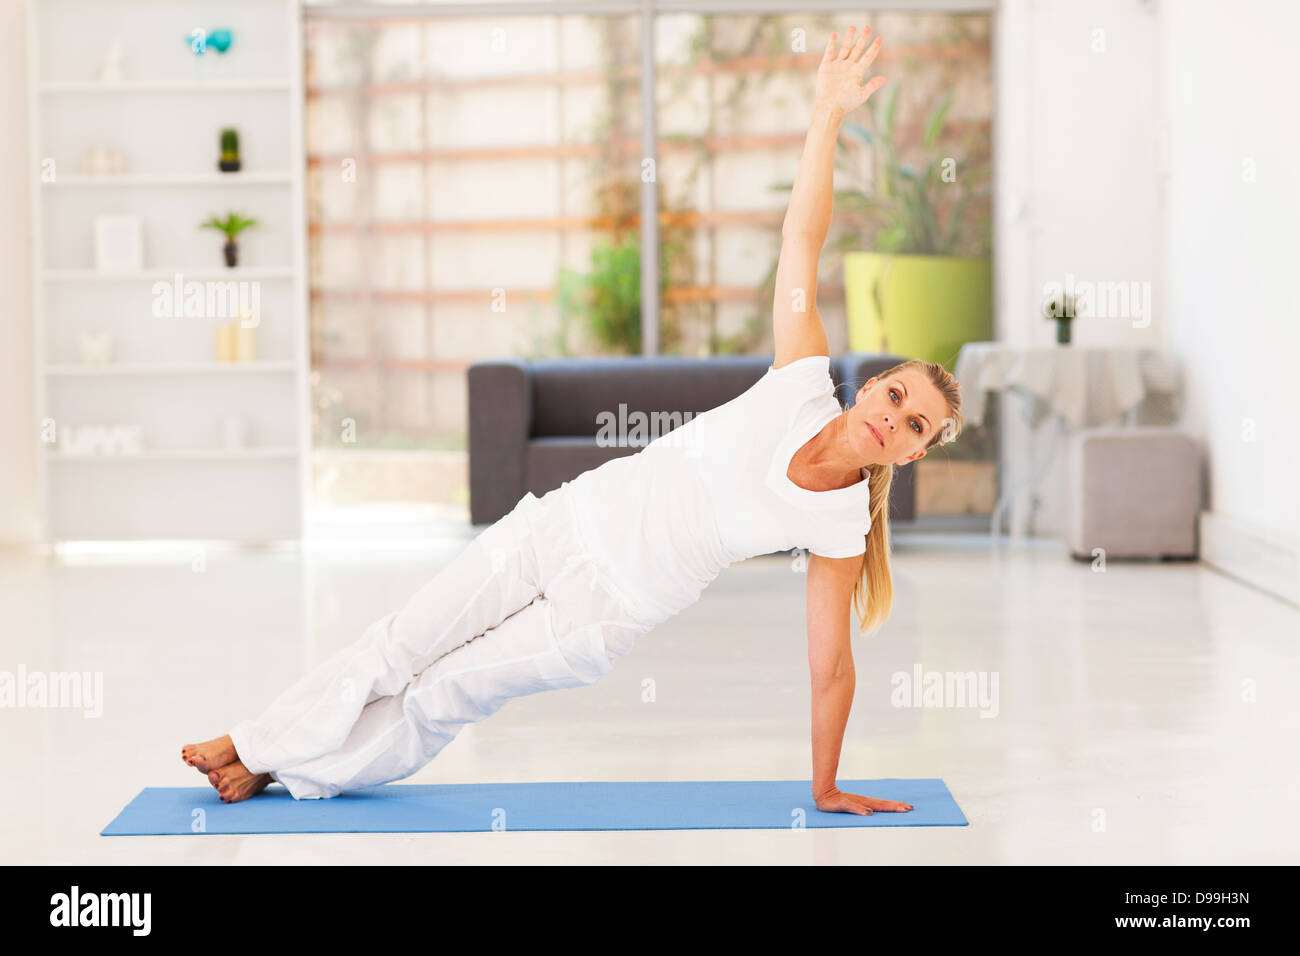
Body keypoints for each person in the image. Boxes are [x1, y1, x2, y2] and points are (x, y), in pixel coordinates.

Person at [182, 26, 963, 816]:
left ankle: (270, 761)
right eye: (897, 397)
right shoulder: (800, 378)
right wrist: (826, 114)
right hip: (558, 524)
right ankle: (259, 750)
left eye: (916, 427)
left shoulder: (839, 528)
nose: (895, 421)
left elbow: (830, 666)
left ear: (916, 454)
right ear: (870, 388)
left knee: (439, 695)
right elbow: (802, 236)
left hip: (605, 610)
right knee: (402, 643)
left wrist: (824, 785)